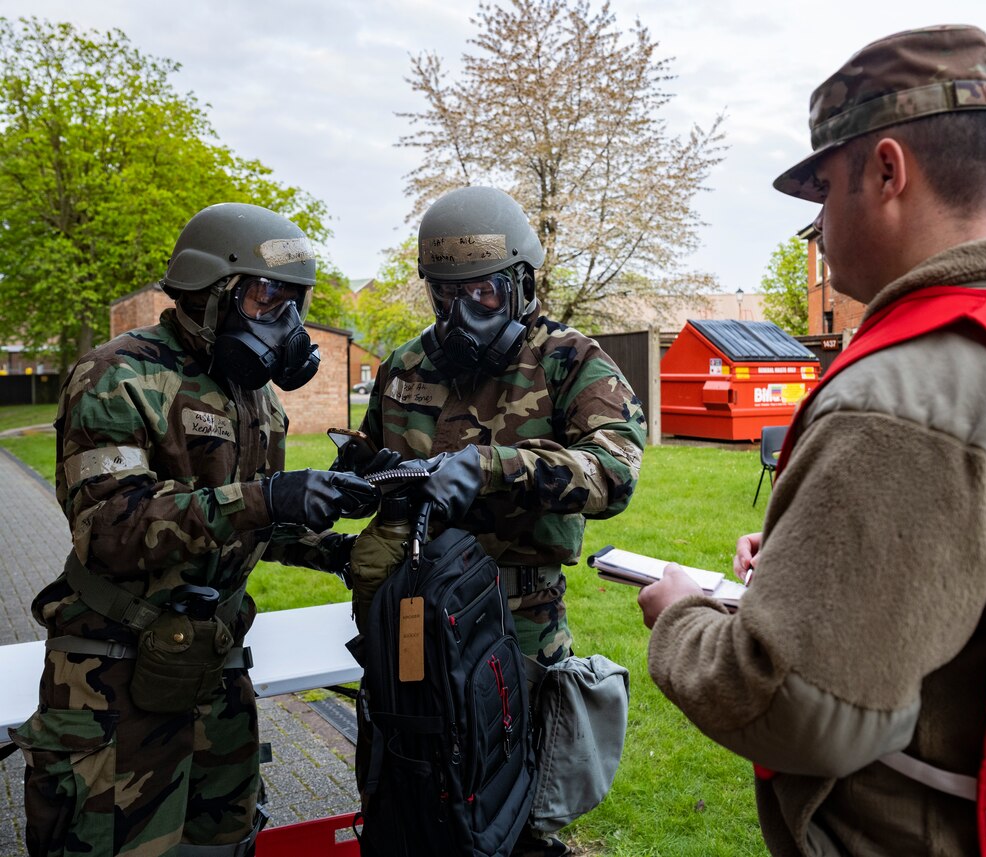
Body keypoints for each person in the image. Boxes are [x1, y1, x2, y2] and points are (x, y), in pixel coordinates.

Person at [637, 24, 986, 857]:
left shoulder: (905, 402)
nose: (818, 223)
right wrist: (807, 556)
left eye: (823, 188)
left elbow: (797, 705)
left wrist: (682, 619)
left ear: (887, 170)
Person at [9, 202, 378, 857]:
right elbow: (111, 528)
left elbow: (246, 525)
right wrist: (267, 498)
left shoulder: (255, 397)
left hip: (215, 668)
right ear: (210, 293)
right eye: (268, 298)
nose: (288, 323)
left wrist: (338, 544)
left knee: (226, 842)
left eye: (296, 302)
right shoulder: (114, 376)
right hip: (113, 676)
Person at [337, 185, 646, 856]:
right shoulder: (408, 364)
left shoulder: (569, 359)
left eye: (480, 293)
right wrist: (358, 471)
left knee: (508, 819)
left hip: (516, 633)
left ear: (520, 284)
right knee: (407, 796)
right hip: (409, 618)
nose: (459, 314)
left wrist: (492, 467)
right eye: (444, 296)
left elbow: (614, 469)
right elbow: (369, 458)